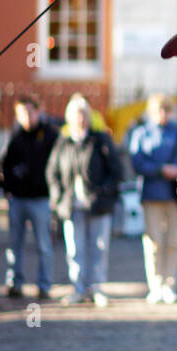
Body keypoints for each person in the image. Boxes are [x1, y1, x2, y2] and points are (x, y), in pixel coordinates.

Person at [46, 96, 123, 306]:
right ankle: (78, 288)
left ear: (88, 117)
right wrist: (58, 198)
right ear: (69, 118)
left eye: (83, 114)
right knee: (75, 250)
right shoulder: (63, 142)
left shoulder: (100, 140)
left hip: (98, 205)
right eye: (76, 115)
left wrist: (103, 192)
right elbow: (52, 172)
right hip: (72, 206)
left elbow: (115, 171)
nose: (80, 119)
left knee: (99, 248)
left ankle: (97, 288)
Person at [129, 94, 177, 304]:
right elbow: (137, 163)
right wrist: (161, 170)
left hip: (176, 195)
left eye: (166, 110)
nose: (163, 114)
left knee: (173, 241)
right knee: (153, 242)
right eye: (159, 110)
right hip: (152, 194)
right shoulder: (141, 133)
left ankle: (170, 285)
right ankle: (155, 285)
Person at [1, 95, 58, 299]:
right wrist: (8, 186)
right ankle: (15, 282)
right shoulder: (15, 137)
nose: (26, 117)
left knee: (43, 244)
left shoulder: (50, 135)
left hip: (41, 198)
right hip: (17, 198)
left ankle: (44, 285)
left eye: (29, 111)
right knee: (15, 244)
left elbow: (55, 166)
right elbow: (6, 165)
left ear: (38, 110)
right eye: (21, 113)